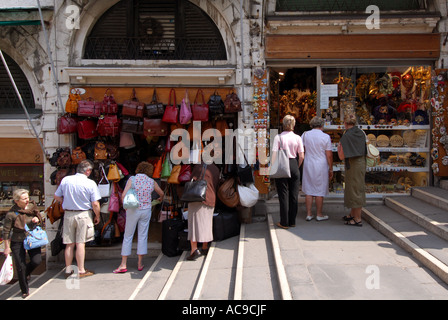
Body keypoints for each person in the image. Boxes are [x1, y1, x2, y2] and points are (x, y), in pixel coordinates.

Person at [113, 162, 164, 273]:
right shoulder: (152, 181)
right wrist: (159, 199)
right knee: (143, 236)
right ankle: (140, 263)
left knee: (128, 236)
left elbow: (123, 195)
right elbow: (161, 193)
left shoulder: (132, 179)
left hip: (133, 209)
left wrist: (125, 206)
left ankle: (123, 264)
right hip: (146, 210)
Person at [54, 159, 101, 279]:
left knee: (69, 244)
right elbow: (95, 203)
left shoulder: (66, 180)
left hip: (69, 214)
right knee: (80, 243)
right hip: (83, 214)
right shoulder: (90, 183)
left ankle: (69, 269)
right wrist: (97, 215)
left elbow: (56, 195)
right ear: (88, 171)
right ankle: (80, 270)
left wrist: (64, 202)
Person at [2, 189, 43, 298]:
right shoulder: (11, 213)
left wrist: (37, 219)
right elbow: (6, 231)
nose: (27, 200)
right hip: (17, 240)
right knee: (20, 266)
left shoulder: (31, 206)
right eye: (24, 198)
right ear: (16, 201)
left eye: (27, 197)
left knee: (37, 260)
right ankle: (24, 290)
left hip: (32, 238)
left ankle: (26, 273)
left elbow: (40, 217)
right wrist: (7, 247)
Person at [271, 115, 304, 229]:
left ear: (283, 124)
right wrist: (297, 166)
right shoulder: (298, 138)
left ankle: (284, 222)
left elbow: (274, 154)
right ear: (293, 125)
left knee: (283, 194)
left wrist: (273, 166)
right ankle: (292, 221)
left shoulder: (278, 137)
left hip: (282, 165)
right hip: (294, 164)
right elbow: (302, 156)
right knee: (294, 195)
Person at [337, 113, 366, 227]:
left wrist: (339, 148)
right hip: (361, 163)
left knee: (354, 190)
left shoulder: (346, 136)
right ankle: (353, 214)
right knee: (356, 188)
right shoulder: (360, 133)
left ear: (345, 123)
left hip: (352, 165)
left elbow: (341, 156)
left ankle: (357, 218)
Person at [302, 116, 333, 221]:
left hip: (308, 163)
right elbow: (329, 155)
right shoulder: (326, 137)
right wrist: (331, 168)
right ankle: (319, 214)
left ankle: (309, 214)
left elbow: (303, 150)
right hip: (321, 164)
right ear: (321, 125)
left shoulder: (305, 135)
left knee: (309, 190)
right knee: (319, 190)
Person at [186, 161, 220, 260]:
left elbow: (191, 179)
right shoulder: (215, 169)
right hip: (210, 198)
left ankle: (194, 248)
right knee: (207, 223)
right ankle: (205, 246)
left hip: (196, 196)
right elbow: (216, 183)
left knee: (193, 223)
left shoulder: (198, 166)